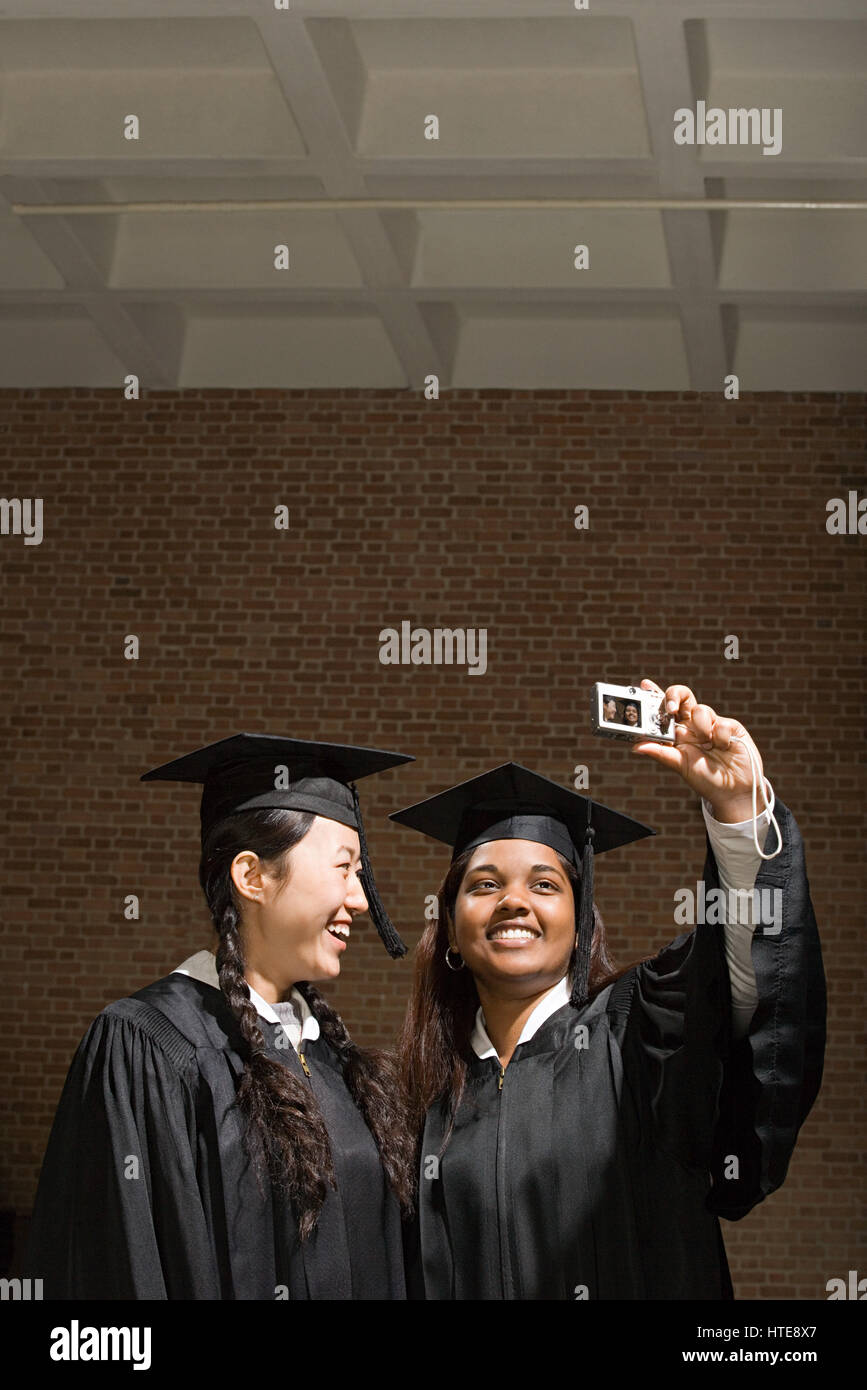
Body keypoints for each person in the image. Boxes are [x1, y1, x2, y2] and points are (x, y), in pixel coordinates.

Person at [393, 681, 825, 1300]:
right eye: (484, 885)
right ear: (451, 935)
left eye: (545, 885)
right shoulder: (429, 1103)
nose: (514, 900)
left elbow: (748, 987)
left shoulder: (639, 1037)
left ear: (581, 923)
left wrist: (738, 812)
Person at [25, 734, 416, 1300]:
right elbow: (118, 1273)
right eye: (343, 868)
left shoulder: (335, 1061)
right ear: (251, 876)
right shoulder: (149, 1047)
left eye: (361, 871)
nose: (360, 897)